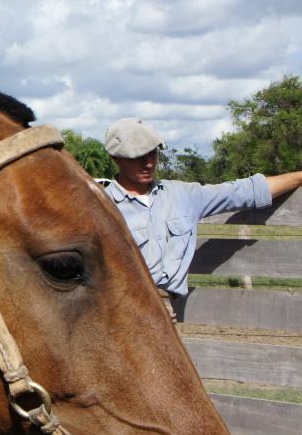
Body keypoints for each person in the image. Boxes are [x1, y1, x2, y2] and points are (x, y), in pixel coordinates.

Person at [98, 117, 302, 321]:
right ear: (115, 158)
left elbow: (243, 191)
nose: (148, 163)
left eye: (152, 152)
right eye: (137, 156)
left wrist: (299, 177)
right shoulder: (102, 208)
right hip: (117, 312)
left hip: (162, 311)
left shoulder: (182, 195)